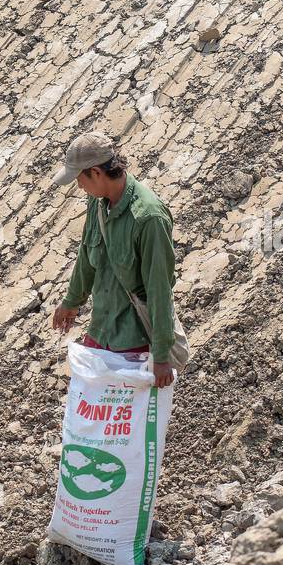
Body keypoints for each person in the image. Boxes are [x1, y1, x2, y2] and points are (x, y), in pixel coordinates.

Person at [49, 131, 178, 388]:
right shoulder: (97, 202)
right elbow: (87, 254)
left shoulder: (149, 218)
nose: (79, 186)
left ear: (96, 172)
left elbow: (159, 288)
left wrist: (161, 356)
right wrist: (72, 300)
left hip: (135, 343)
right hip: (101, 332)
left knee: (131, 425)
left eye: (80, 179)